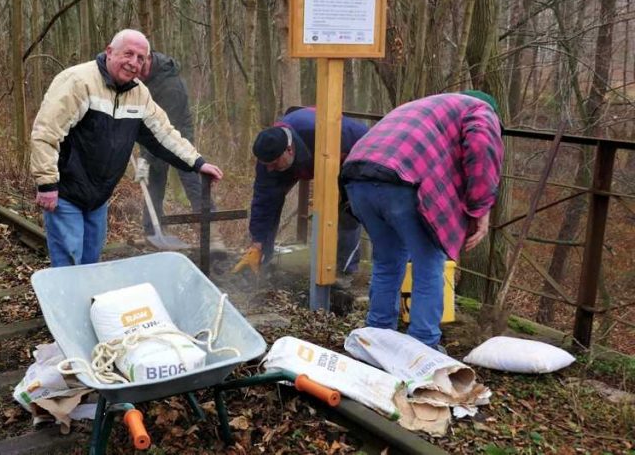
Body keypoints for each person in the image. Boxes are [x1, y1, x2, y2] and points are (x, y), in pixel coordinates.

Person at [30, 29, 224, 267]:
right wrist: (47, 183)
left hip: (99, 197)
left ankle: (88, 303)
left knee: (91, 262)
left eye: (140, 58)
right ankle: (61, 304)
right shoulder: (78, 82)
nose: (134, 63)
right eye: (128, 54)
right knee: (69, 262)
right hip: (66, 191)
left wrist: (197, 163)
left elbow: (164, 134)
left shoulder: (139, 93)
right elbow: (46, 132)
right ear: (110, 52)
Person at [341, 92, 503, 350]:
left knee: (387, 262)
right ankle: (423, 348)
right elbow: (482, 147)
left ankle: (376, 340)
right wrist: (480, 208)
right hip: (403, 182)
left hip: (357, 177)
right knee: (428, 266)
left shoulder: (427, 106)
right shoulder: (481, 110)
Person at [234, 108, 369, 287]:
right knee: (270, 201)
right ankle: (262, 263)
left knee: (347, 211)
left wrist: (344, 195)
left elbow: (361, 159)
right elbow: (263, 202)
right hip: (305, 158)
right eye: (266, 165)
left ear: (289, 150)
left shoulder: (327, 133)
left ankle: (344, 271)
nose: (270, 169)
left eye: (273, 164)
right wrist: (257, 243)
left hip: (352, 157)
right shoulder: (269, 158)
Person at [134, 52, 224, 251]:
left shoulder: (171, 86)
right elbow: (144, 122)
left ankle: (212, 237)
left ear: (148, 59)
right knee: (153, 184)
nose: (136, 71)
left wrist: (145, 158)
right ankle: (152, 233)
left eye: (140, 64)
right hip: (153, 139)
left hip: (179, 141)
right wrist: (144, 159)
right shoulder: (142, 81)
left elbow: (165, 129)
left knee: (194, 184)